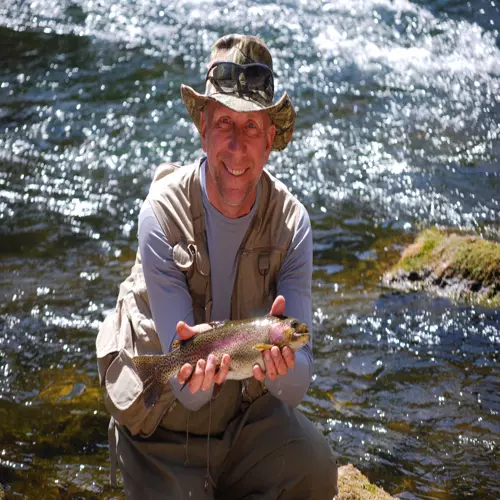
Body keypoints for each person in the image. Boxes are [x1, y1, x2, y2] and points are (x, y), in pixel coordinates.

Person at [96, 33, 338, 499]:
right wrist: (192, 372)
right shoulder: (160, 214)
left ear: (270, 141)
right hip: (163, 429)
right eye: (225, 121)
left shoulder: (292, 224)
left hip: (244, 422)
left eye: (252, 127)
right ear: (202, 127)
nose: (236, 144)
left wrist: (281, 367)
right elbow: (190, 393)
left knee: (314, 471)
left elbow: (297, 385)